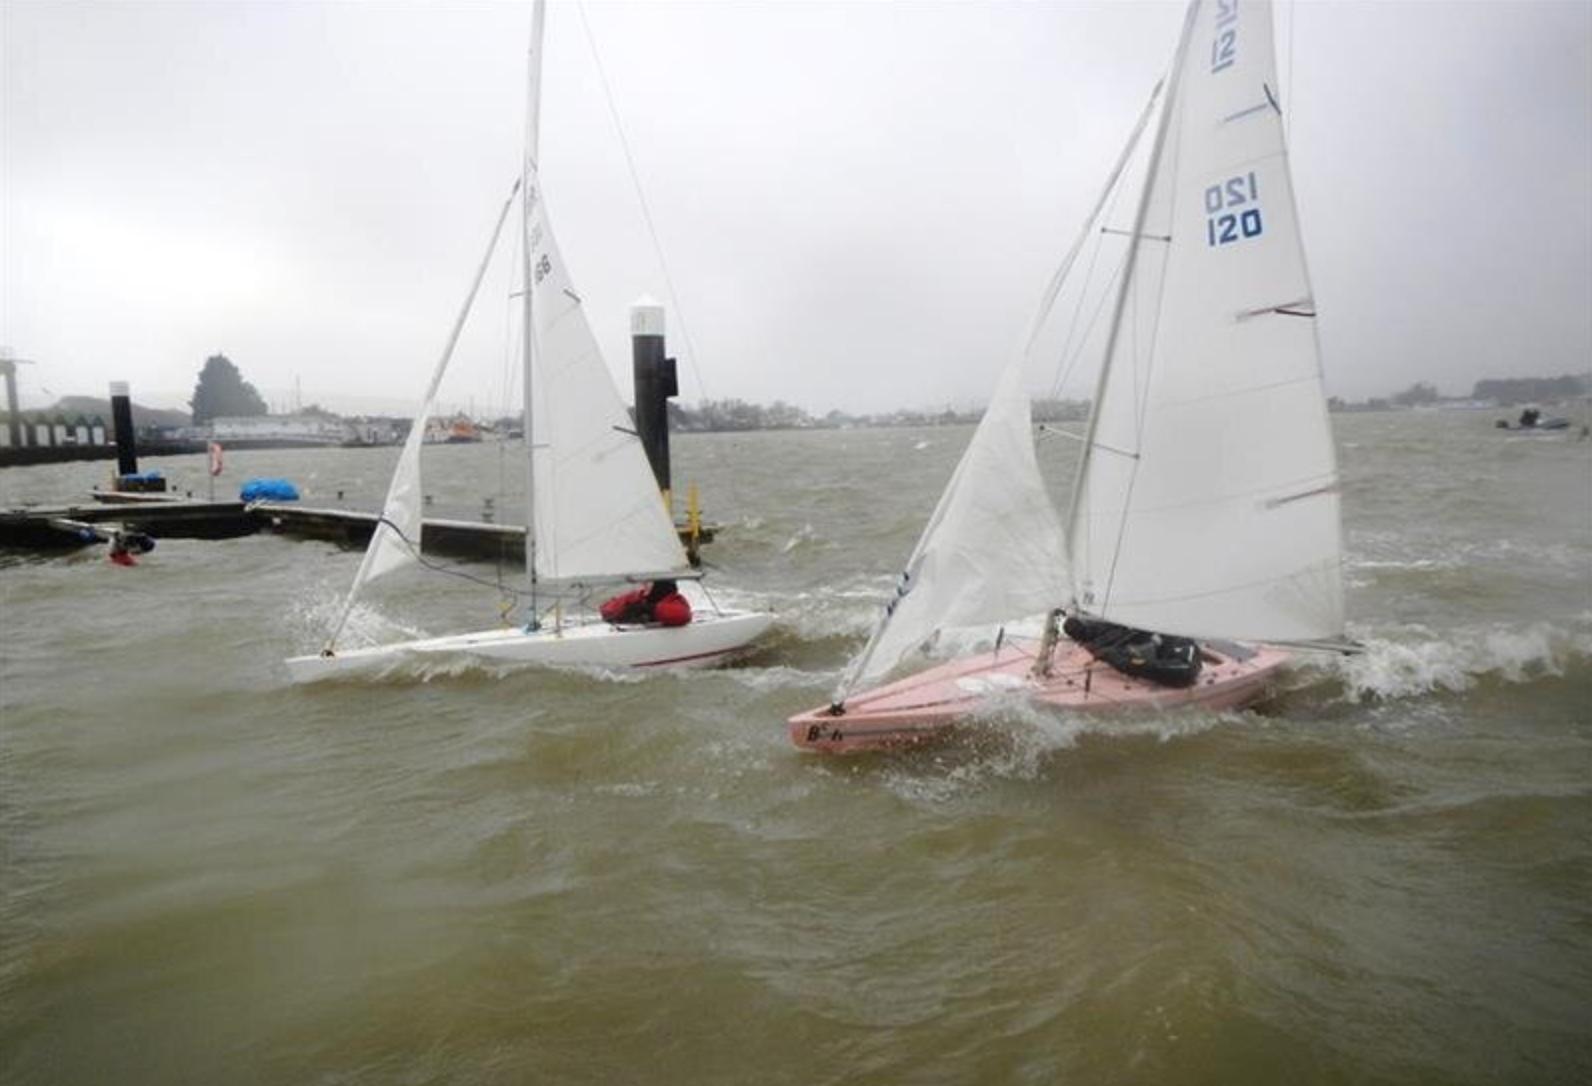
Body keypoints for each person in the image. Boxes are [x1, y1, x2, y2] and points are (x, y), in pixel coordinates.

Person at [598, 580, 692, 627]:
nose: (644, 584)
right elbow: (607, 607)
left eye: (649, 581)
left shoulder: (674, 599)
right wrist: (611, 614)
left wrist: (650, 609)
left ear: (661, 584)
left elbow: (684, 615)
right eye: (644, 581)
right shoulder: (640, 596)